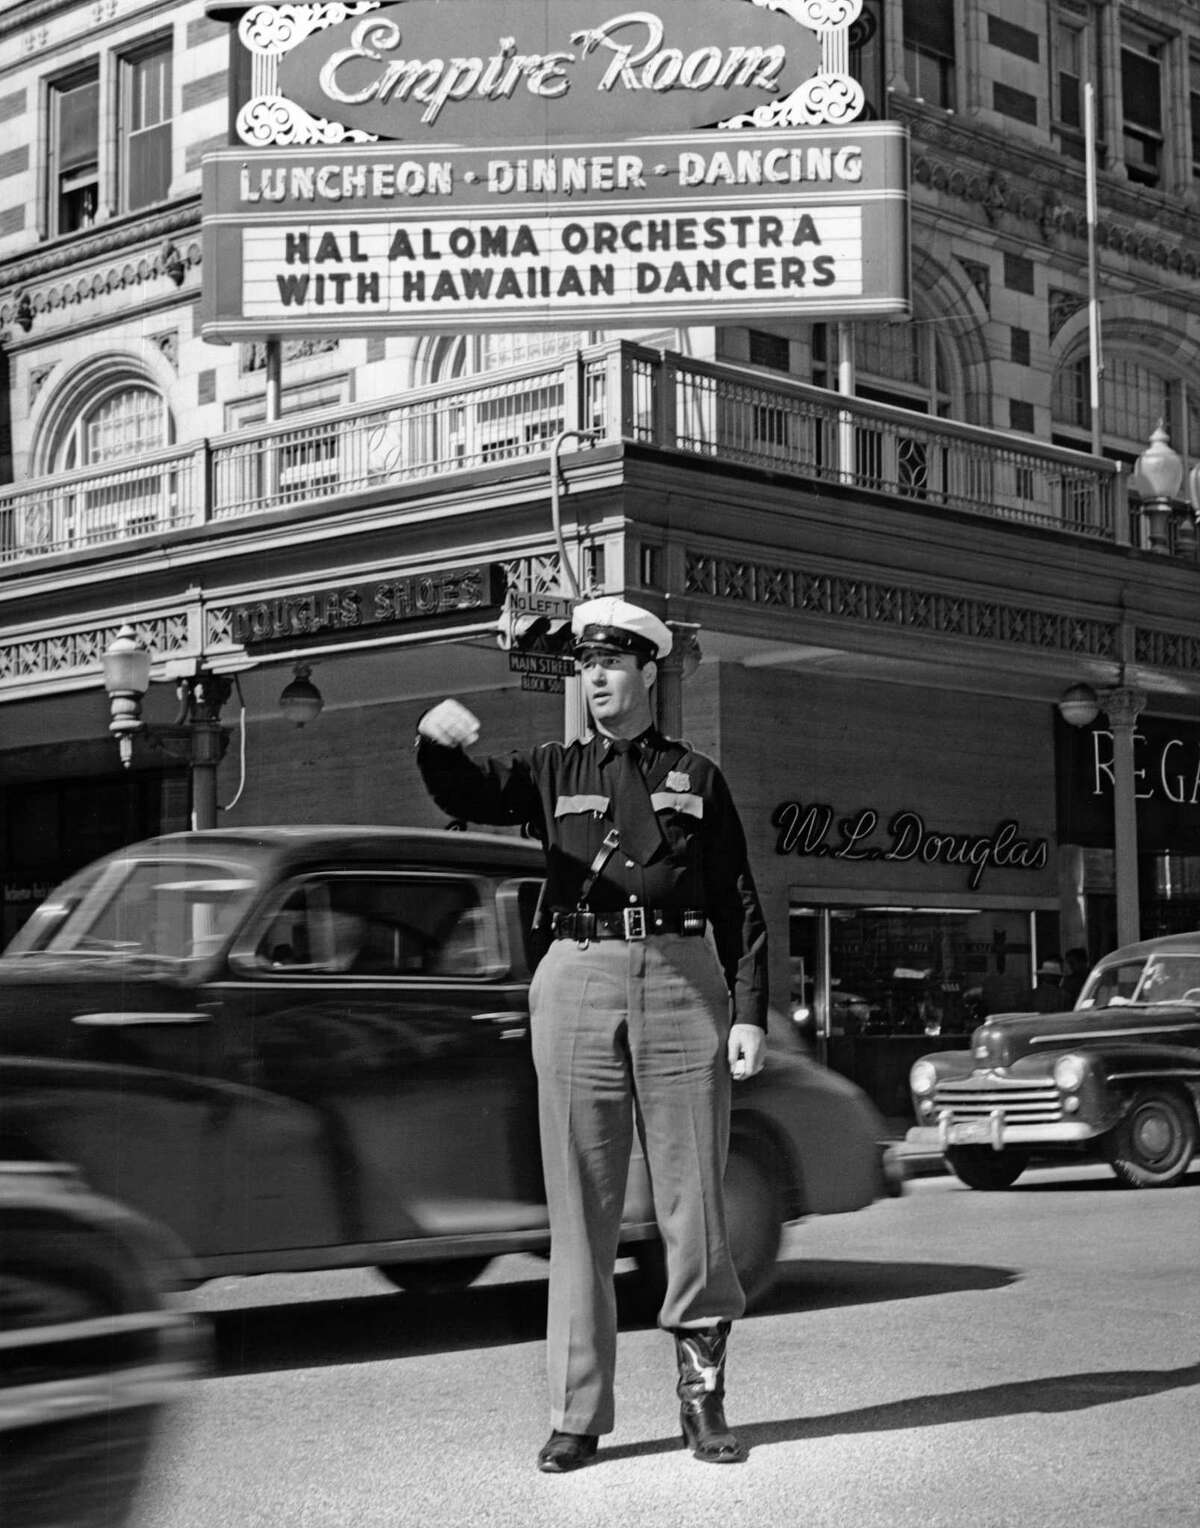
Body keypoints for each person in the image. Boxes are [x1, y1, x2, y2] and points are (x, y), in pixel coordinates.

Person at [414, 594, 768, 1473]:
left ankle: (702, 1400)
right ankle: (578, 1413)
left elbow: (740, 904)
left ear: (648, 671)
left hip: (683, 981)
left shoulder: (699, 776)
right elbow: (470, 791)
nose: (596, 678)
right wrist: (435, 742)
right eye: (584, 666)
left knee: (695, 1205)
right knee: (579, 1205)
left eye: (610, 663)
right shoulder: (551, 769)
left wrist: (750, 1011)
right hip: (576, 976)